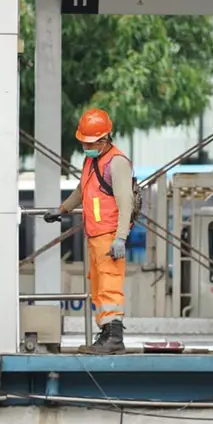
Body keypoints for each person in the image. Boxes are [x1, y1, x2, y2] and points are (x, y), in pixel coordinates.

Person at [44, 108, 132, 355]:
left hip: (110, 236)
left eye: (91, 142)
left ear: (106, 138)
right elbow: (82, 192)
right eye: (84, 142)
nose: (86, 146)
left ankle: (115, 337)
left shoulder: (117, 163)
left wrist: (121, 238)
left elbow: (126, 203)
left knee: (110, 287)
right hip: (95, 236)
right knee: (99, 288)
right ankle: (106, 334)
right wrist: (61, 210)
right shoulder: (91, 161)